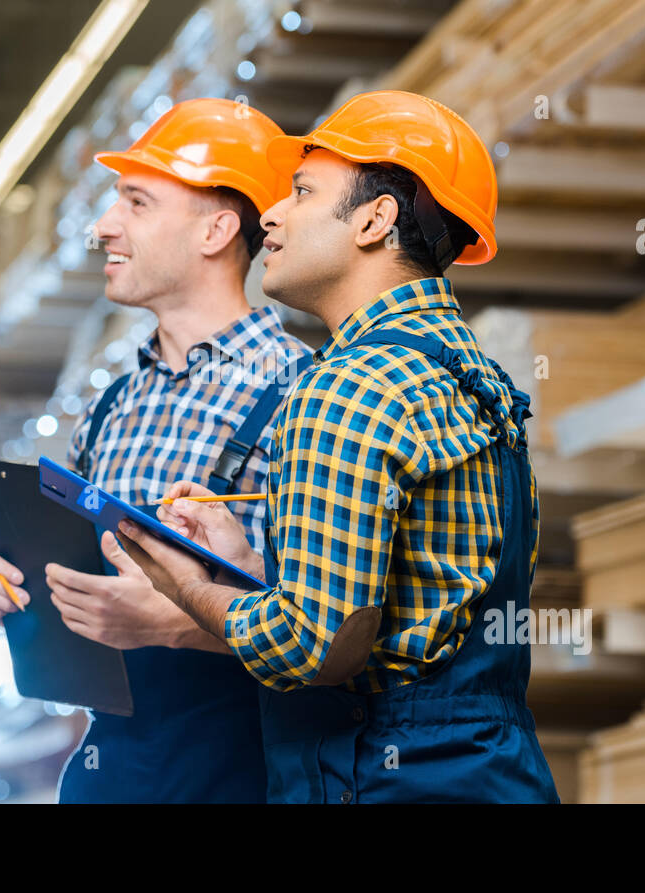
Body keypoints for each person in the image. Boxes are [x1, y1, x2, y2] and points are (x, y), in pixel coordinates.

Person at [115, 89, 561, 803]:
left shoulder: (347, 385)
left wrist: (188, 585)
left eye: (301, 191)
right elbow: (407, 605)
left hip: (384, 773)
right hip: (490, 771)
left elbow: (314, 647)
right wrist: (249, 566)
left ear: (375, 220)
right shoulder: (476, 376)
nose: (271, 215)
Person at [0, 97, 310, 802]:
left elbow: (326, 625)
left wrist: (177, 623)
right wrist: (5, 589)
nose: (103, 226)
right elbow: (77, 582)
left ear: (216, 228)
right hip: (114, 765)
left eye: (136, 203)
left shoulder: (303, 395)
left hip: (241, 773)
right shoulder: (114, 407)